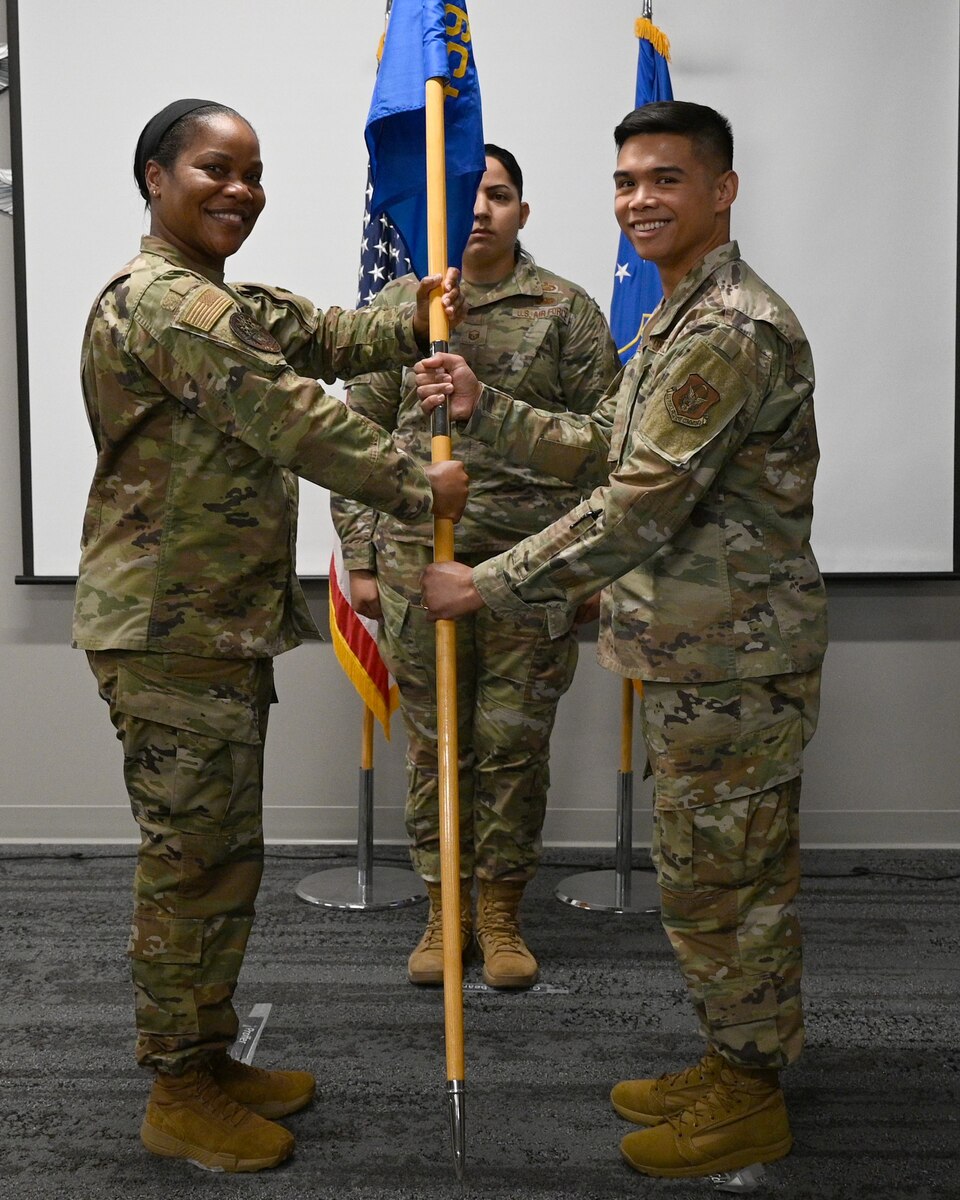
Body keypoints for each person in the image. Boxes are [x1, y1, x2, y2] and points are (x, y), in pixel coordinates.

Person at [416, 102, 827, 1179]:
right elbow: (609, 443)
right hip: (701, 655)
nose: (639, 199)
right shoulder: (675, 313)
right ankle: (731, 1058)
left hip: (734, 662)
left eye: (665, 179)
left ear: (722, 189)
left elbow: (638, 505)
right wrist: (486, 406)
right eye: (625, 181)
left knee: (726, 885)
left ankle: (749, 1096)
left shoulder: (729, 328)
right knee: (706, 875)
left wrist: (489, 582)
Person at [74, 98, 468, 1174]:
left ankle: (205, 1053)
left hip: (213, 625)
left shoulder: (221, 299)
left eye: (254, 172)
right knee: (190, 863)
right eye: (216, 168)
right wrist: (414, 479)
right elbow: (292, 410)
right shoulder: (166, 305)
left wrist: (419, 307)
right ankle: (176, 1087)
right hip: (171, 629)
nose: (241, 189)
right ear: (156, 176)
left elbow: (332, 338)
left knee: (223, 856)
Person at [331, 145, 619, 989]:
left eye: (499, 194)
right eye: (468, 194)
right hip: (421, 559)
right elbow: (357, 444)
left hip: (532, 565)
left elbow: (607, 446)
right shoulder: (401, 308)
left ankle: (499, 914)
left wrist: (591, 565)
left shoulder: (566, 310)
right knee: (436, 747)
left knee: (513, 746)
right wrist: (362, 561)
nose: (483, 208)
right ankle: (441, 911)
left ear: (523, 211)